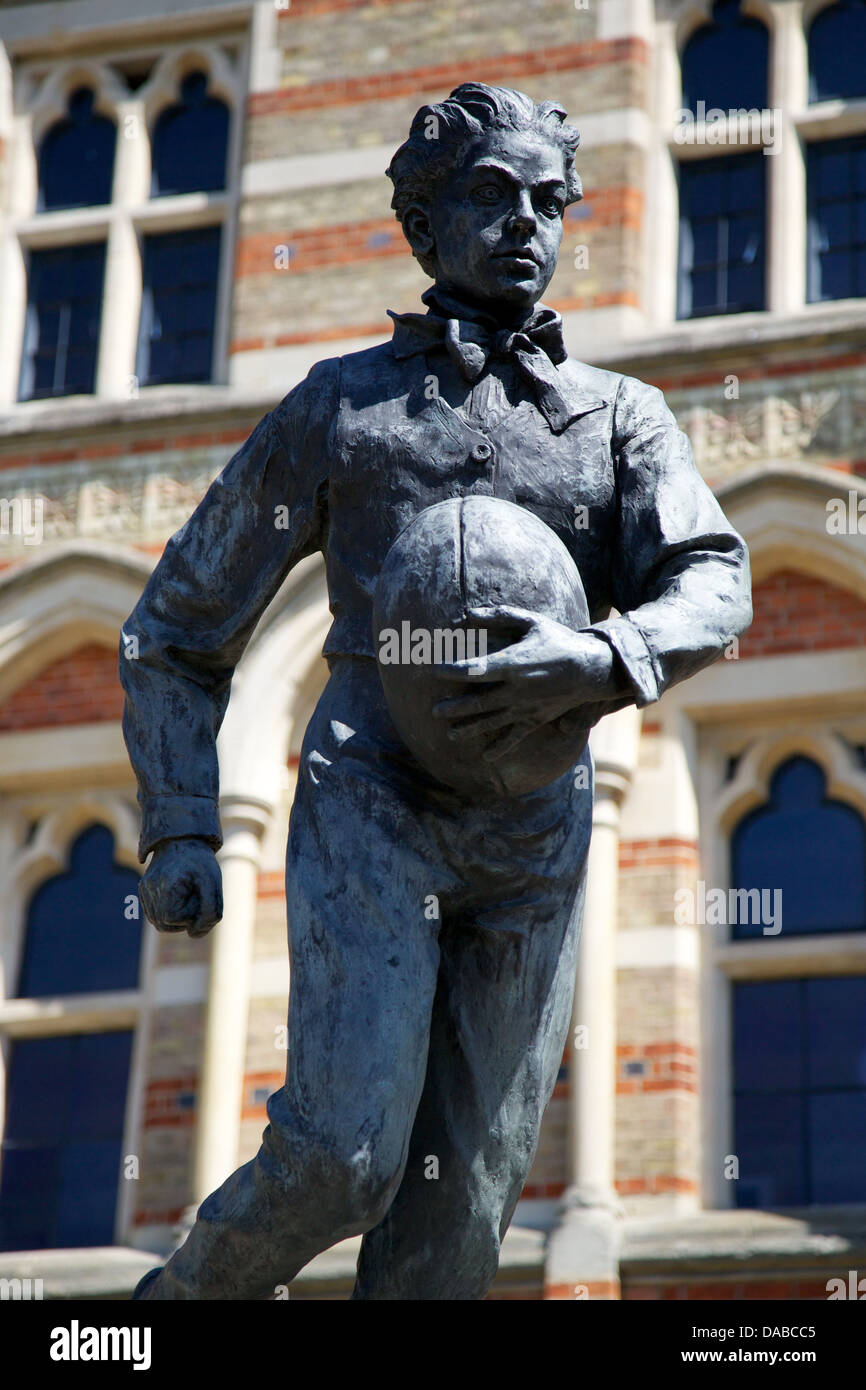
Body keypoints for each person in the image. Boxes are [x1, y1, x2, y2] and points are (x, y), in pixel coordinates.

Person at [122, 83, 752, 1300]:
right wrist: (181, 826)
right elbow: (176, 629)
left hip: (532, 828)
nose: (525, 222)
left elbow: (713, 579)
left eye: (546, 201)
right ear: (420, 225)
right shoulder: (338, 409)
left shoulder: (620, 419)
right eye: (488, 195)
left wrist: (607, 657)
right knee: (342, 1159)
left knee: (458, 1208)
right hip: (373, 801)